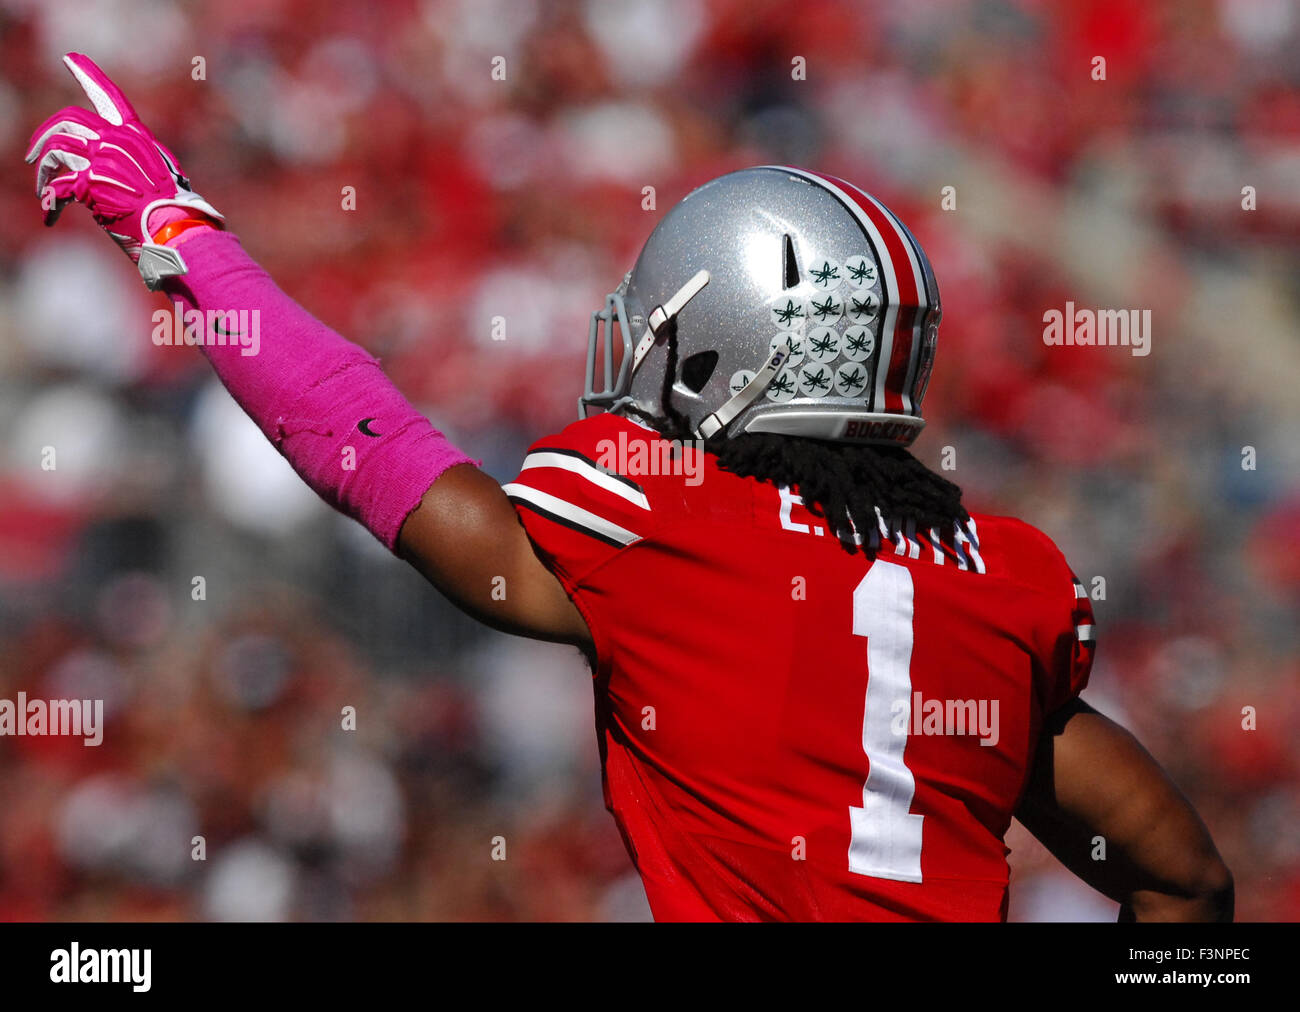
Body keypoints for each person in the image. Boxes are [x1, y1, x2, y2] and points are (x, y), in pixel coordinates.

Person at [26, 53, 1233, 922]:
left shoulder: (660, 520)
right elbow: (1181, 873)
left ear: (723, 347)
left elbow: (378, 457)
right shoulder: (1003, 577)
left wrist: (184, 244)